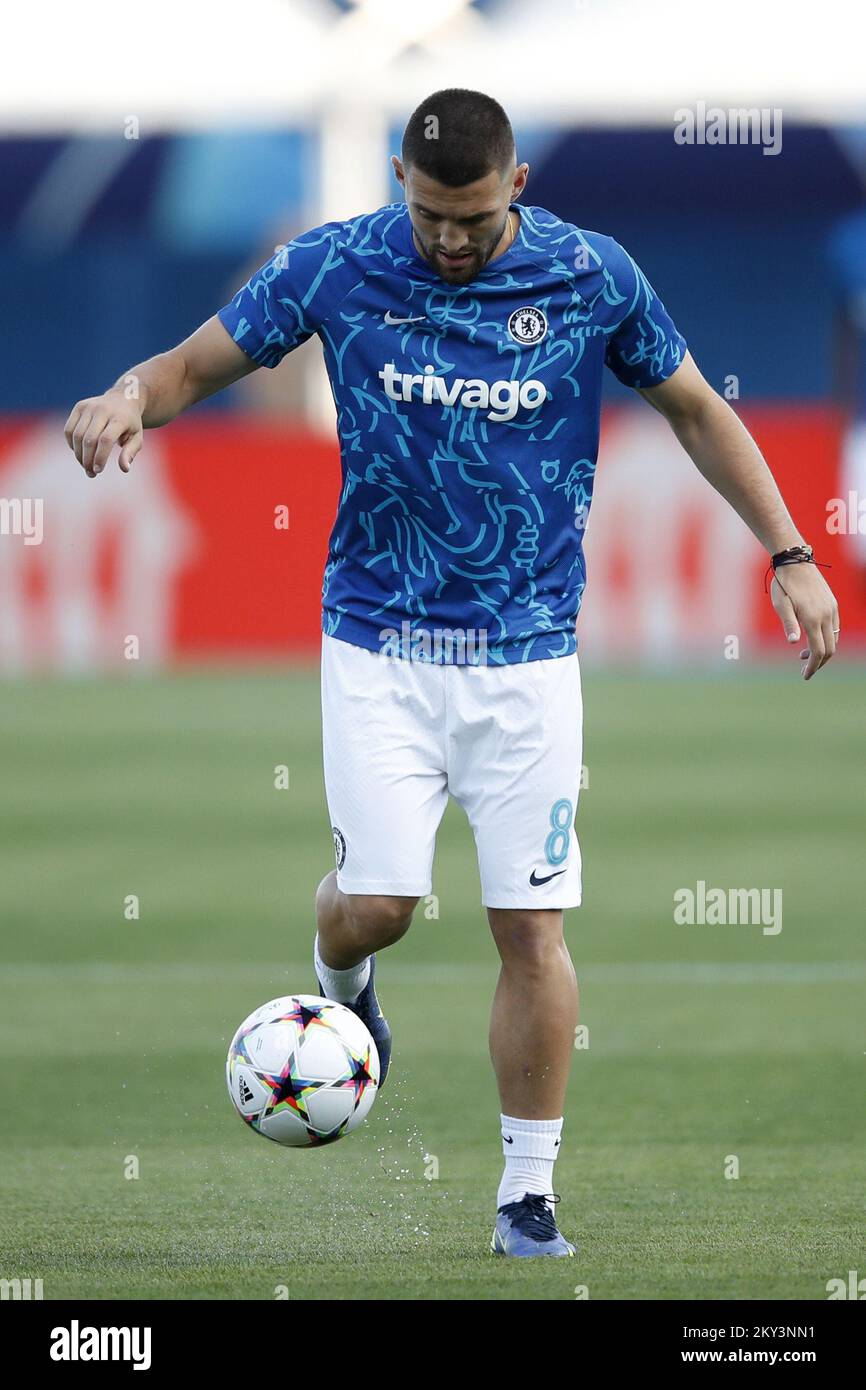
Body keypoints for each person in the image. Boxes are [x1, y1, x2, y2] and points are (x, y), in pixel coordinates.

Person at [64, 88, 839, 1259]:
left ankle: (525, 1194)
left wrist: (788, 551)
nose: (450, 239)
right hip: (377, 646)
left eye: (472, 216)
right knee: (376, 904)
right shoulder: (335, 266)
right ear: (395, 180)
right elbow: (191, 364)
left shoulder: (591, 276)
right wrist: (130, 395)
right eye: (430, 213)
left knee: (529, 930)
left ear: (515, 186)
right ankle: (339, 969)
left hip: (525, 664)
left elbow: (689, 408)